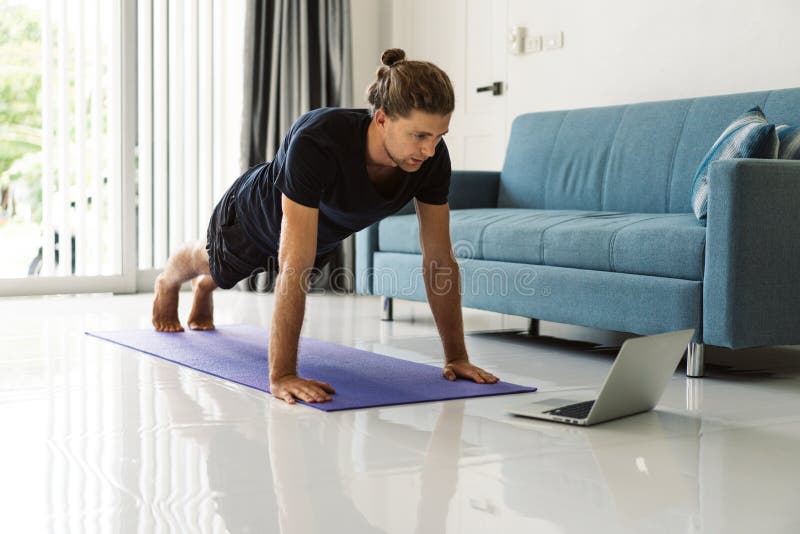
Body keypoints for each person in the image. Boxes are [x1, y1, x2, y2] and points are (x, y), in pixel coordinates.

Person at [151, 48, 500, 405]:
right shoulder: (318, 139)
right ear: (381, 119)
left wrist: (456, 357)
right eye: (419, 136)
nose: (429, 150)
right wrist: (283, 374)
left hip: (317, 230)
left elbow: (440, 260)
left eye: (439, 136)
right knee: (213, 261)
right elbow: (293, 264)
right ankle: (168, 281)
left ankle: (207, 286)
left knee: (234, 272)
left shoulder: (431, 160)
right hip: (254, 216)